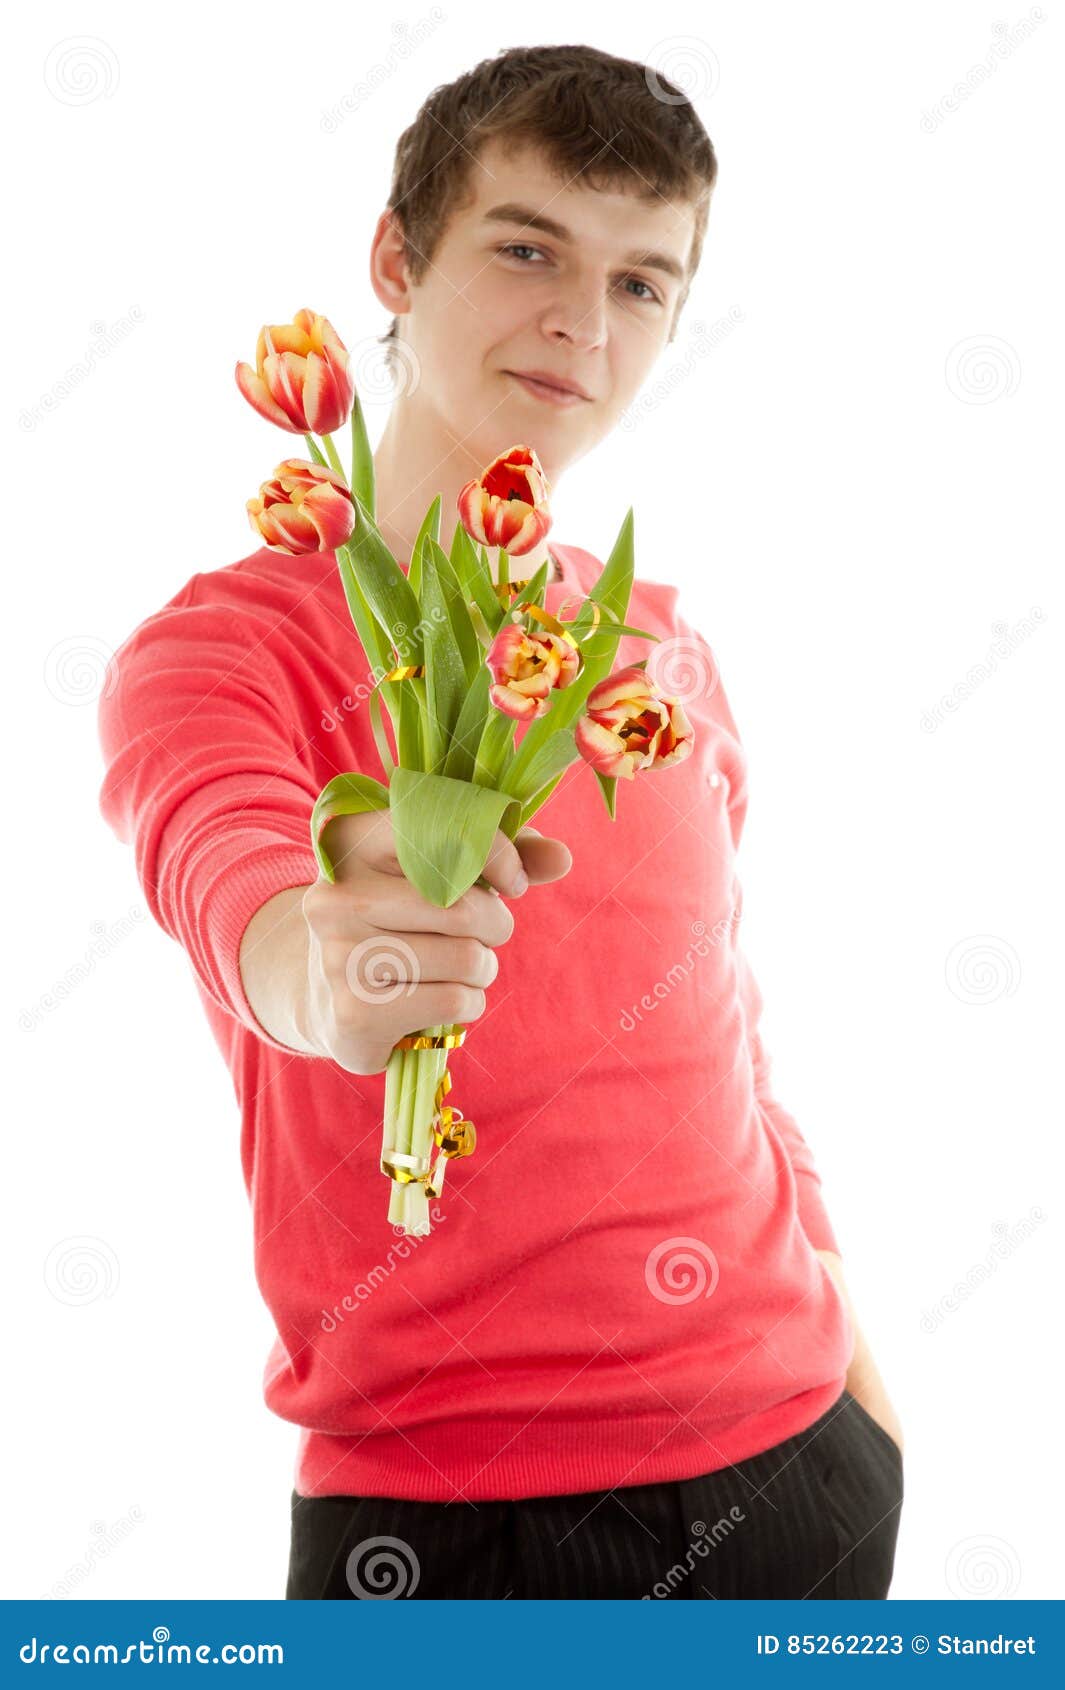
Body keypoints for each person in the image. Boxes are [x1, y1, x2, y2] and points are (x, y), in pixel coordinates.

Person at [97, 42, 903, 1600]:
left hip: (801, 1472)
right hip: (446, 1525)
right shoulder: (221, 655)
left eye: (640, 283)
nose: (582, 326)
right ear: (396, 259)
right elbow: (243, 893)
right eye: (528, 249)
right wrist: (331, 966)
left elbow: (727, 1034)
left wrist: (855, 1370)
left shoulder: (658, 653)